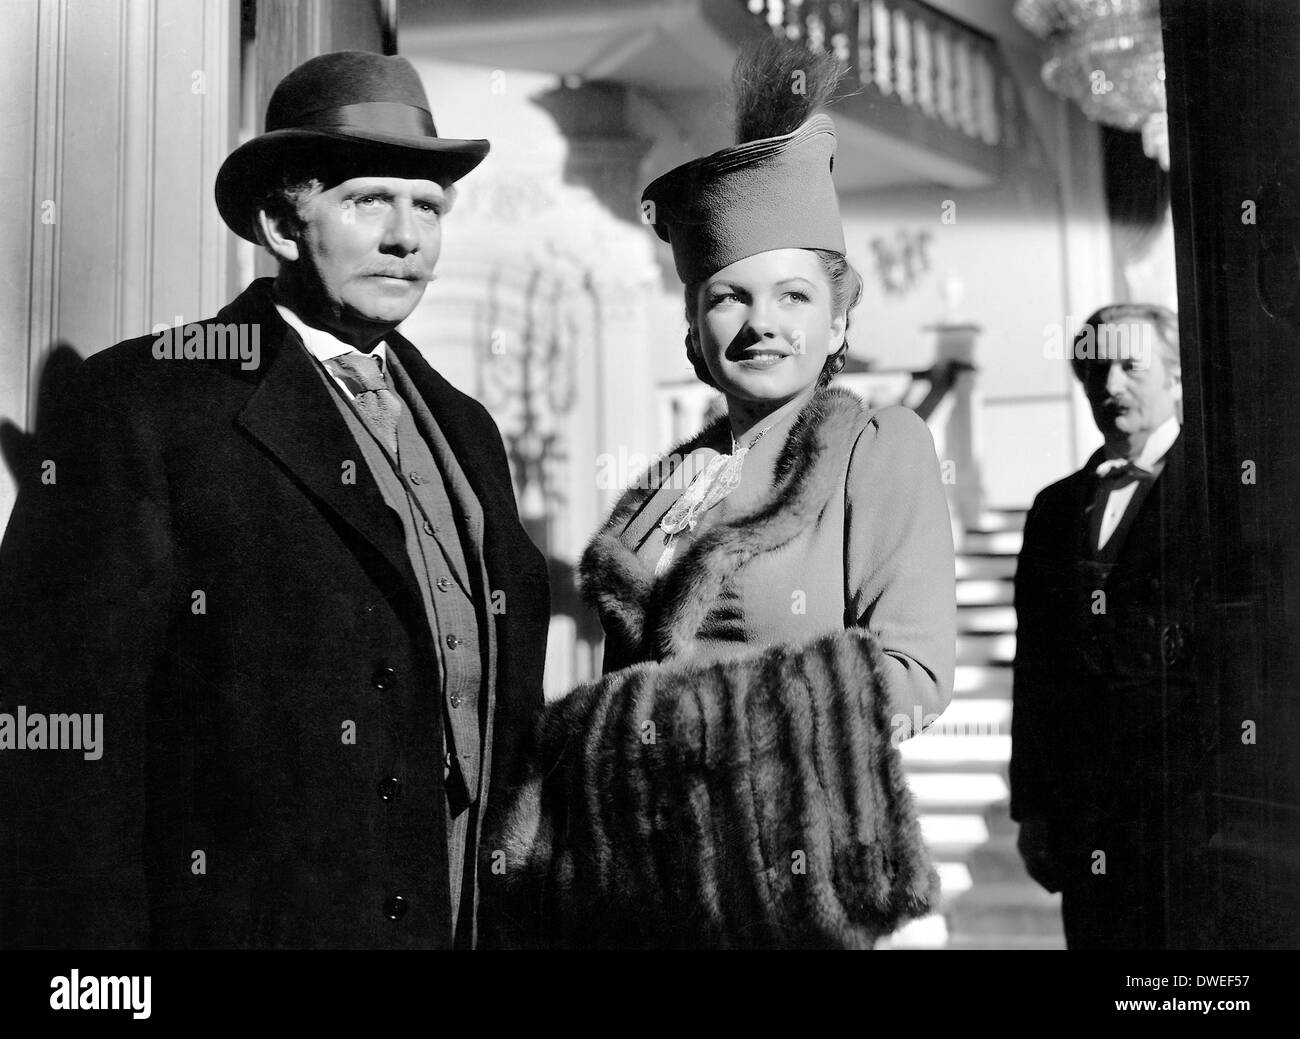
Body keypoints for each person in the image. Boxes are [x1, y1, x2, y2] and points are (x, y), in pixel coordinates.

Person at [0, 51, 550, 949]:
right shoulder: (145, 403)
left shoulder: (468, 429)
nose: (407, 237)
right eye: (370, 201)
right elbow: (63, 754)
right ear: (281, 223)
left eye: (429, 208)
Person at [484, 38, 955, 950]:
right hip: (655, 897)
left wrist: (662, 735)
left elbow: (914, 680)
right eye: (729, 298)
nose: (761, 324)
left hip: (801, 891)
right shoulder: (668, 485)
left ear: (838, 320)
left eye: (792, 297)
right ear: (696, 332)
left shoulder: (877, 446)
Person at [1010, 303, 1204, 949]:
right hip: (1086, 813)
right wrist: (1032, 807)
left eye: (1130, 364)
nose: (1110, 384)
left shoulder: (1217, 488)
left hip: (1191, 809)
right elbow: (1034, 666)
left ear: (1176, 375)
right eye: (1095, 368)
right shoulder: (1054, 508)